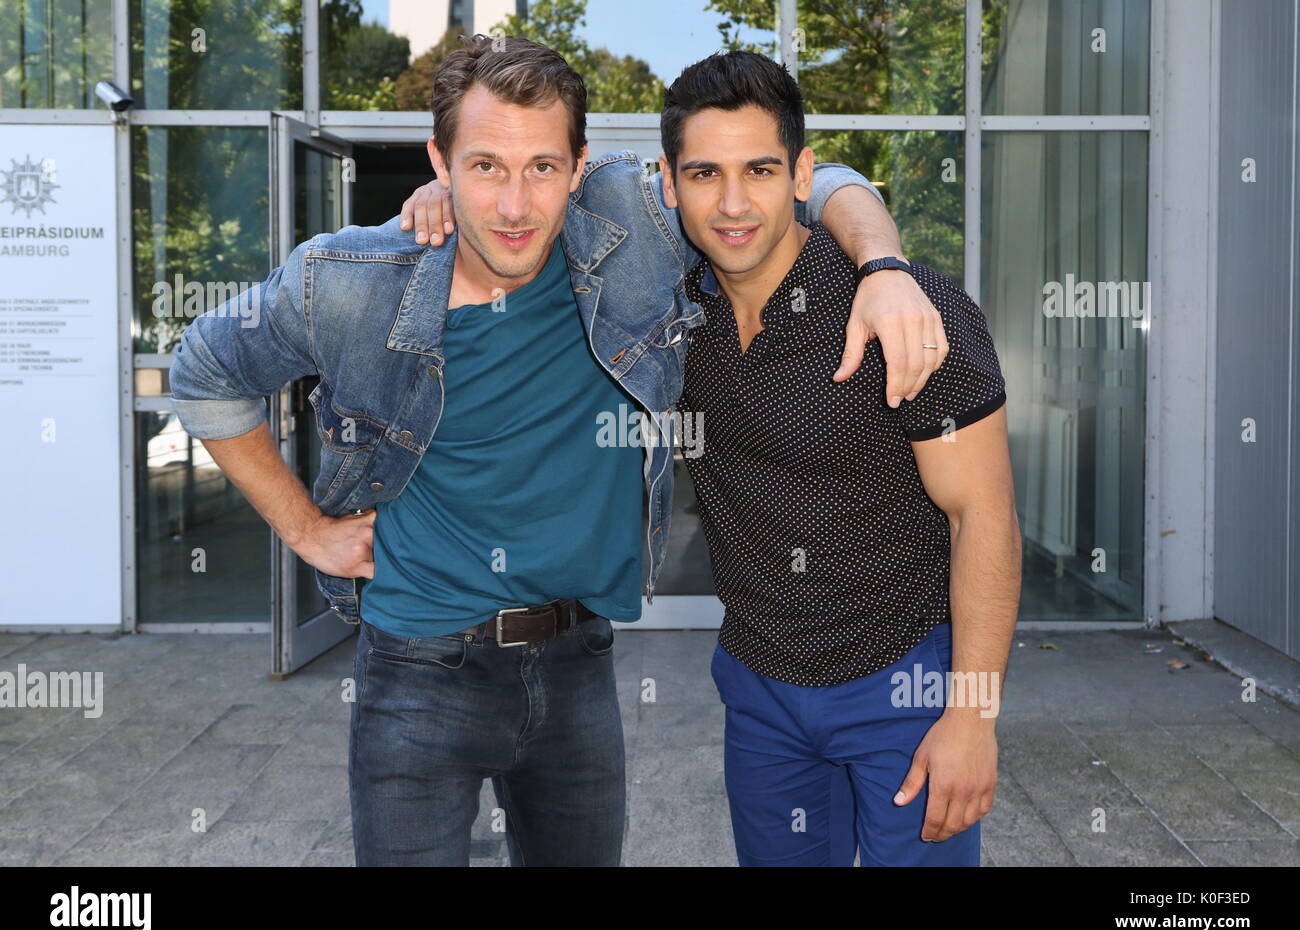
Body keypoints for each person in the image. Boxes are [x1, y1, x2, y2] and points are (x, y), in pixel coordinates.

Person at [169, 35, 939, 867]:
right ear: (440, 162)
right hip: (418, 671)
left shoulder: (630, 234)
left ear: (579, 169)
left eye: (541, 167)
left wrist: (885, 265)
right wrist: (305, 528)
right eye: (484, 167)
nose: (513, 204)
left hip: (578, 665)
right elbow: (203, 371)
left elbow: (807, 182)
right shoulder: (351, 283)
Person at [662, 51, 1021, 865]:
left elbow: (984, 517)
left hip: (904, 686)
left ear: (802, 174)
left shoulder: (908, 313)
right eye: (703, 174)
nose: (731, 203)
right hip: (758, 688)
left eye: (759, 169)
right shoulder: (674, 316)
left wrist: (972, 715)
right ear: (669, 181)